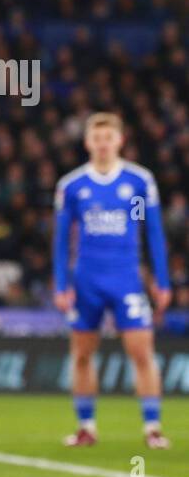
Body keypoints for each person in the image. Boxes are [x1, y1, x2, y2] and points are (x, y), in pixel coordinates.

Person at [53, 113, 171, 449]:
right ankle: (86, 426)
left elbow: (152, 232)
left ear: (120, 141)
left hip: (126, 280)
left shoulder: (136, 183)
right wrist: (62, 284)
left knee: (141, 352)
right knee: (81, 354)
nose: (103, 144)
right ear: (87, 142)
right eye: (97, 138)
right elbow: (62, 241)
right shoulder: (73, 187)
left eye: (108, 138)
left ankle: (152, 428)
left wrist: (161, 280)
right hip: (87, 280)